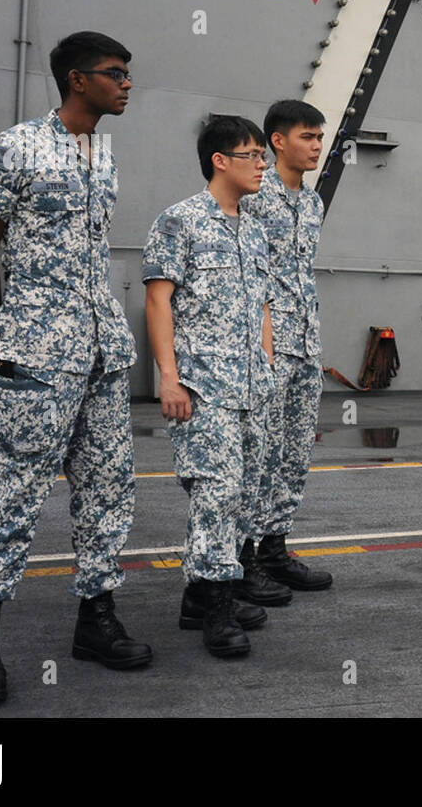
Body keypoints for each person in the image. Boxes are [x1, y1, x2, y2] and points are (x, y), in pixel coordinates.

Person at [0, 31, 151, 707]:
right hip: (37, 358)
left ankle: (95, 619)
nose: (127, 83)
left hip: (102, 355)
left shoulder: (105, 151)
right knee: (16, 495)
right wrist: (10, 340)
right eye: (115, 73)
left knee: (107, 490)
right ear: (77, 78)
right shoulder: (14, 148)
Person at [143, 115, 286, 658]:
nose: (262, 165)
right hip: (204, 387)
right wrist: (169, 377)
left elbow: (264, 305)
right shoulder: (179, 221)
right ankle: (219, 610)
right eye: (252, 155)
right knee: (216, 494)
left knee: (243, 494)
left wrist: (268, 366)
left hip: (252, 386)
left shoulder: (253, 227)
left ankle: (198, 598)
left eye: (262, 156)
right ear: (219, 160)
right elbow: (158, 301)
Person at [240, 100, 332, 591]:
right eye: (308, 137)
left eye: (320, 137)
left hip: (306, 345)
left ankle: (275, 546)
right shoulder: (253, 195)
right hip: (265, 347)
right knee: (259, 451)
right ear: (278, 140)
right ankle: (242, 554)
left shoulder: (313, 203)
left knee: (295, 453)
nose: (317, 145)